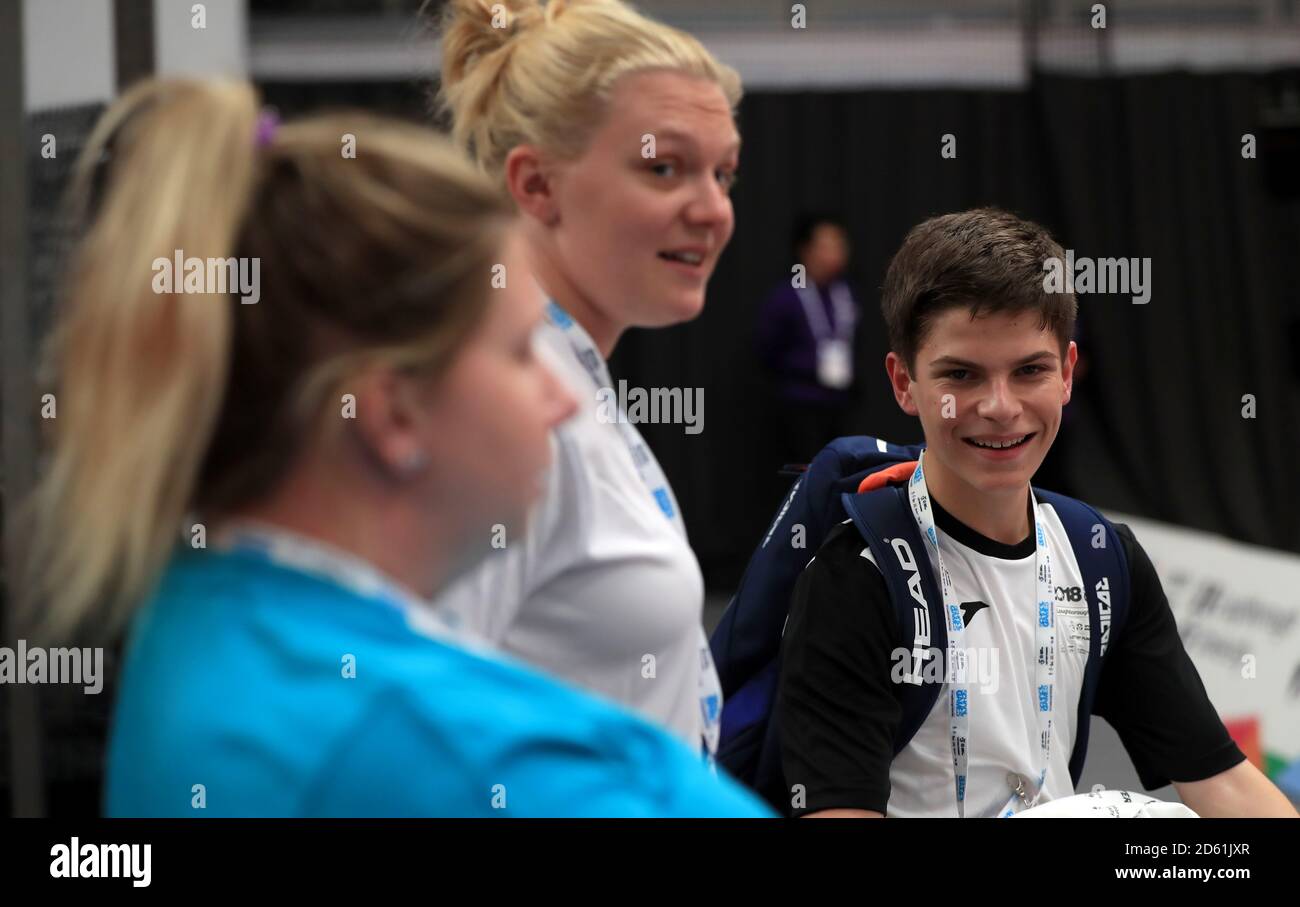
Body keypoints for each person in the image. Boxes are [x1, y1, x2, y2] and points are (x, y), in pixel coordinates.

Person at [22, 77, 771, 818]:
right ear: (391, 412)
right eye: (520, 353)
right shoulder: (451, 754)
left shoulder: (193, 608)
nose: (562, 397)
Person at [776, 207, 1299, 818]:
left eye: (1029, 370)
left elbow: (1223, 781)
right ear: (903, 382)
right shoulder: (857, 577)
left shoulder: (1100, 556)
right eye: (961, 375)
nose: (1001, 407)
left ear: (1068, 373)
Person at [428, 0, 742, 759]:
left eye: (724, 172)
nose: (713, 209)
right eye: (663, 167)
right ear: (537, 185)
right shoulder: (500, 403)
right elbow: (416, 737)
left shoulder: (571, 374)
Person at [756, 213, 861, 466]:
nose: (834, 254)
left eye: (839, 245)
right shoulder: (788, 296)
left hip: (840, 402)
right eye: (826, 246)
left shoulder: (846, 293)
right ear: (805, 251)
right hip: (800, 403)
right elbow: (766, 348)